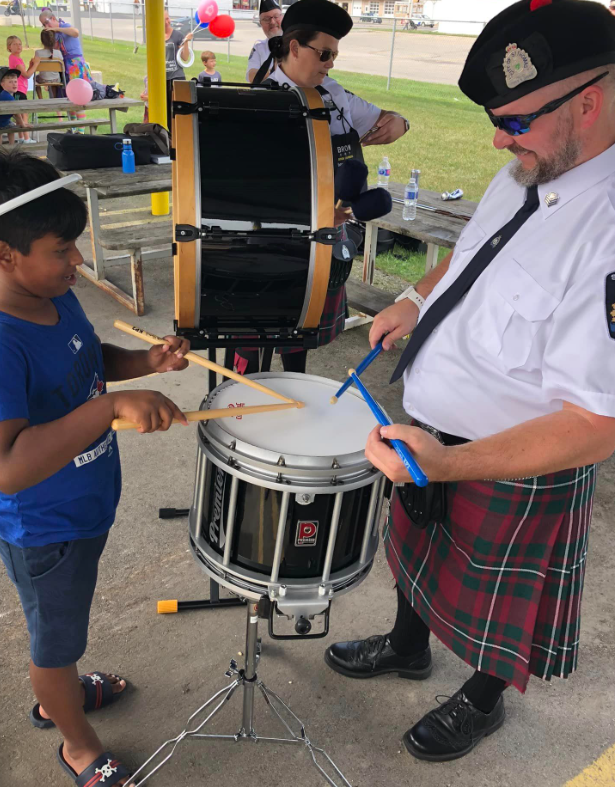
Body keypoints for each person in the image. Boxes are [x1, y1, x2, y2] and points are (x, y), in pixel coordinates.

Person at [325, 0, 615, 763]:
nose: (497, 137)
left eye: (512, 120)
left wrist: (445, 461)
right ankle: (407, 643)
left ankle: (482, 699)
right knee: (415, 551)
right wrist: (412, 299)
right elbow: (476, 252)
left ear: (585, 102)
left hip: (512, 457)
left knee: (498, 600)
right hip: (431, 423)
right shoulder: (534, 159)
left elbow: (596, 421)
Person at [0, 148, 191, 787]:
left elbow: (87, 362)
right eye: (63, 249)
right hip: (43, 530)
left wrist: (143, 366)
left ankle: (59, 689)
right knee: (54, 642)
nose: (79, 261)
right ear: (5, 255)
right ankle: (74, 739)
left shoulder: (54, 296)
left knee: (64, 626)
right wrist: (110, 408)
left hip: (82, 509)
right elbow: (3, 466)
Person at [235, 0, 409, 375]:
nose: (331, 63)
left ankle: (294, 384)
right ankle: (240, 405)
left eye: (334, 55)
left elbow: (385, 118)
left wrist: (400, 122)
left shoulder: (334, 94)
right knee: (254, 337)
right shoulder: (259, 104)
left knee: (301, 331)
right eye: (325, 53)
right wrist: (307, 214)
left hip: (326, 237)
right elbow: (244, 190)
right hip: (271, 242)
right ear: (294, 47)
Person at [6, 35, 40, 143]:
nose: (18, 46)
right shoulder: (14, 59)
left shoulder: (17, 59)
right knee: (24, 114)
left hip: (21, 89)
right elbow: (27, 75)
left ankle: (21, 137)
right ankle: (26, 137)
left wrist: (30, 66)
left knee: (19, 114)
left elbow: (24, 74)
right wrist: (36, 65)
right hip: (19, 89)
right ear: (9, 47)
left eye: (20, 44)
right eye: (14, 44)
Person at [0, 67, 26, 147]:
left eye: (15, 81)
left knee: (7, 125)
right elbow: (17, 114)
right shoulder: (9, 98)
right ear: (2, 84)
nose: (14, 84)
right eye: (10, 82)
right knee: (12, 128)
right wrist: (23, 125)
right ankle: (11, 145)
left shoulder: (4, 94)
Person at [246, 0, 283, 83]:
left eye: (276, 16)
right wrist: (273, 70)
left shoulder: (295, 43)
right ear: (261, 23)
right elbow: (251, 77)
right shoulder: (259, 47)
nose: (272, 22)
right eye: (266, 19)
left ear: (282, 18)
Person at [34, 29, 66, 102]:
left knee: (35, 79)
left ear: (42, 41)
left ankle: (40, 99)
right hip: (56, 80)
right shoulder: (58, 53)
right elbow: (62, 68)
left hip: (43, 79)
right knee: (53, 81)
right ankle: (54, 99)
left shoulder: (38, 53)